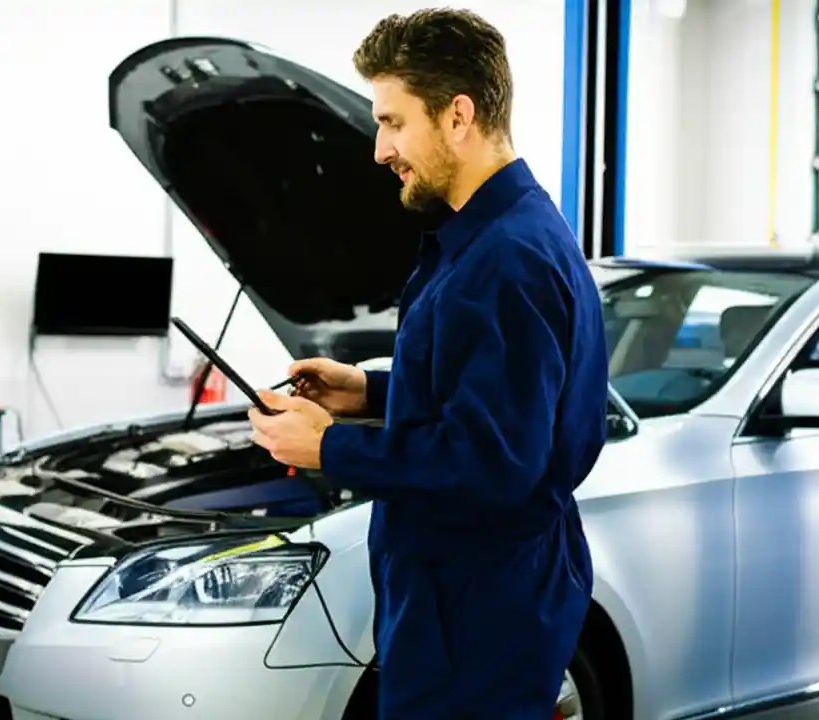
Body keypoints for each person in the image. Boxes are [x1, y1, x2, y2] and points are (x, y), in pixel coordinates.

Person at [247, 8, 609, 718]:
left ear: (458, 115)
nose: (381, 149)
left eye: (393, 121)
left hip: (477, 612)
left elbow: (494, 463)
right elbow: (490, 398)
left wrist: (328, 447)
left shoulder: (507, 260)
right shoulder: (494, 237)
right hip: (467, 599)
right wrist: (369, 392)